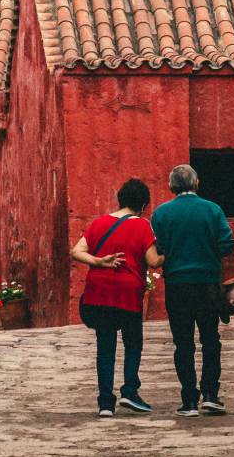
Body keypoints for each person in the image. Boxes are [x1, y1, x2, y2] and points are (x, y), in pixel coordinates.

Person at [70, 178, 164, 418]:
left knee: (105, 348)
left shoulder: (99, 223)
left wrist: (98, 261)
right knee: (132, 344)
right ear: (143, 204)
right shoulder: (143, 226)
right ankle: (129, 392)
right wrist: (170, 253)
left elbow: (77, 251)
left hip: (99, 293)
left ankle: (105, 404)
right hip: (128, 295)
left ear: (120, 199)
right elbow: (153, 261)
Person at [151, 164, 234, 417]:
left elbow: (159, 247)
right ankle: (210, 394)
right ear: (196, 183)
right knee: (210, 340)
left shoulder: (162, 213)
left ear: (171, 186)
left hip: (177, 285)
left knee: (183, 343)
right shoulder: (212, 209)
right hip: (207, 284)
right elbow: (226, 244)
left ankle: (189, 400)